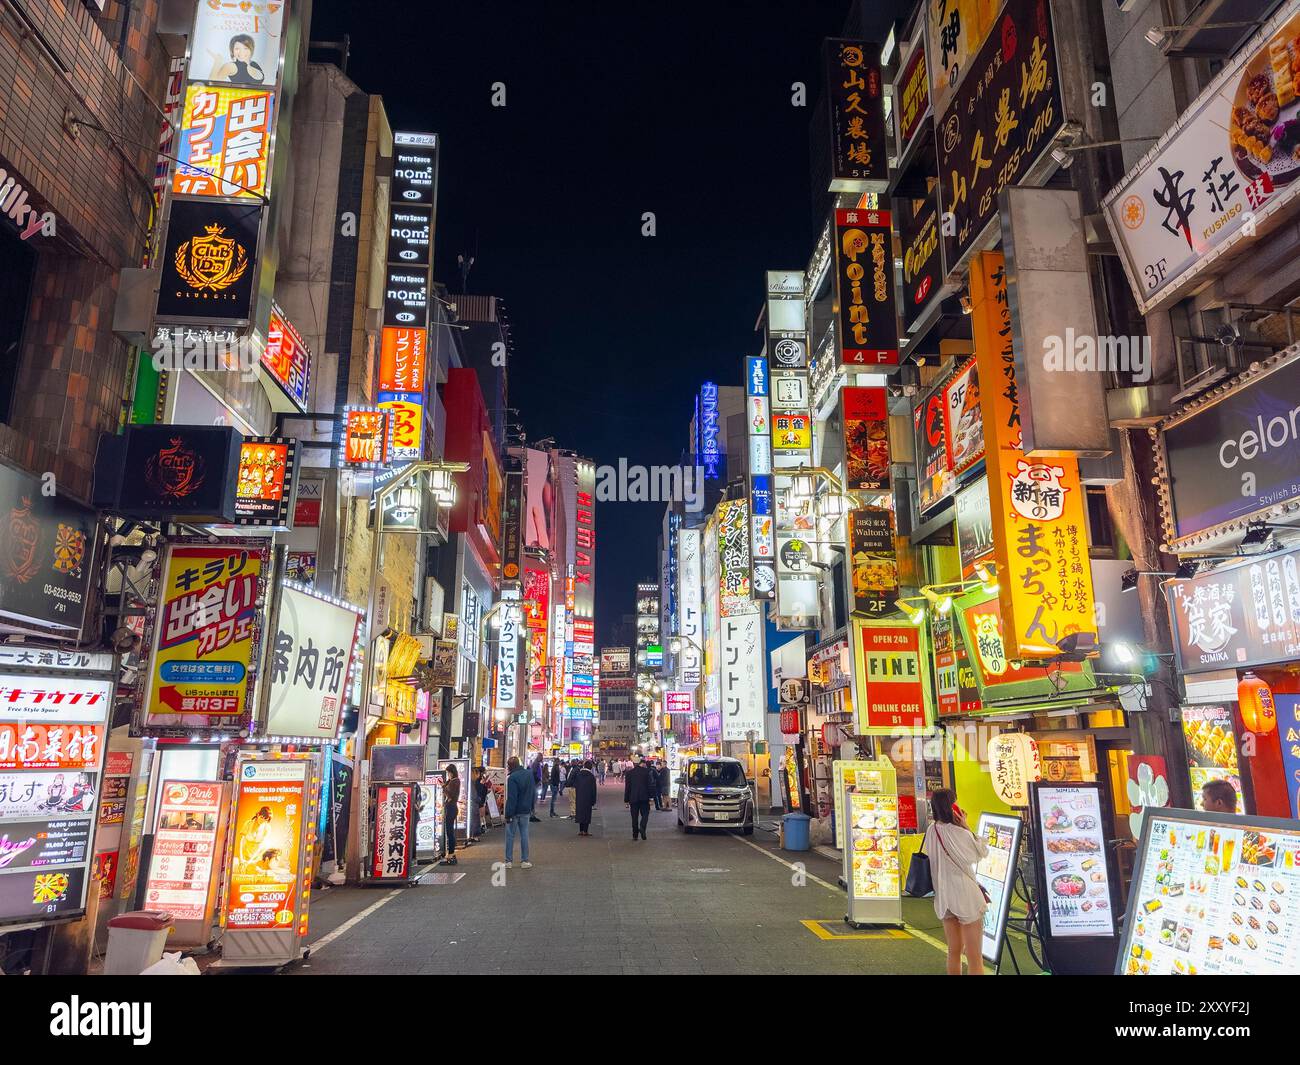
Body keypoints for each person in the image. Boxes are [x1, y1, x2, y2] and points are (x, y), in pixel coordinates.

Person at [921, 788, 989, 975]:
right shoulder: (960, 833)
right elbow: (981, 852)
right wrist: (965, 825)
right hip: (965, 895)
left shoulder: (931, 830)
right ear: (952, 806)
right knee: (975, 956)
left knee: (954, 952)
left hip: (944, 897)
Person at [503, 756, 535, 868]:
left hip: (515, 811)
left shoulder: (512, 778)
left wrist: (508, 814)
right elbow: (533, 792)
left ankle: (508, 861)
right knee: (524, 834)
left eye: (508, 765)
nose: (507, 767)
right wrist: (532, 807)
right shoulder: (529, 774)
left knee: (510, 835)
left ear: (511, 766)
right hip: (526, 809)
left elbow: (512, 798)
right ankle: (525, 860)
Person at [624, 756, 652, 840]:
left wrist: (626, 800)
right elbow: (650, 785)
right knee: (645, 814)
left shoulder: (629, 773)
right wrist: (651, 797)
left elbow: (627, 787)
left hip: (633, 797)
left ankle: (635, 835)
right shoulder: (647, 772)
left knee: (634, 817)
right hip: (645, 797)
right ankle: (642, 827)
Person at [440, 764, 460, 865]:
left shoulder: (455, 781)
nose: (448, 774)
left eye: (448, 772)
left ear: (452, 772)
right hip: (450, 807)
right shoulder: (451, 781)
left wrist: (444, 787)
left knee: (450, 832)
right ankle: (450, 853)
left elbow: (451, 794)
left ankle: (451, 853)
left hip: (451, 808)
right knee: (449, 831)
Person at [572, 759, 598, 836]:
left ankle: (580, 830)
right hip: (588, 798)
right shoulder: (591, 776)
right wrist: (593, 800)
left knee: (580, 813)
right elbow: (594, 789)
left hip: (579, 797)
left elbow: (575, 785)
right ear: (590, 767)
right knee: (587, 814)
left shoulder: (579, 775)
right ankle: (585, 831)